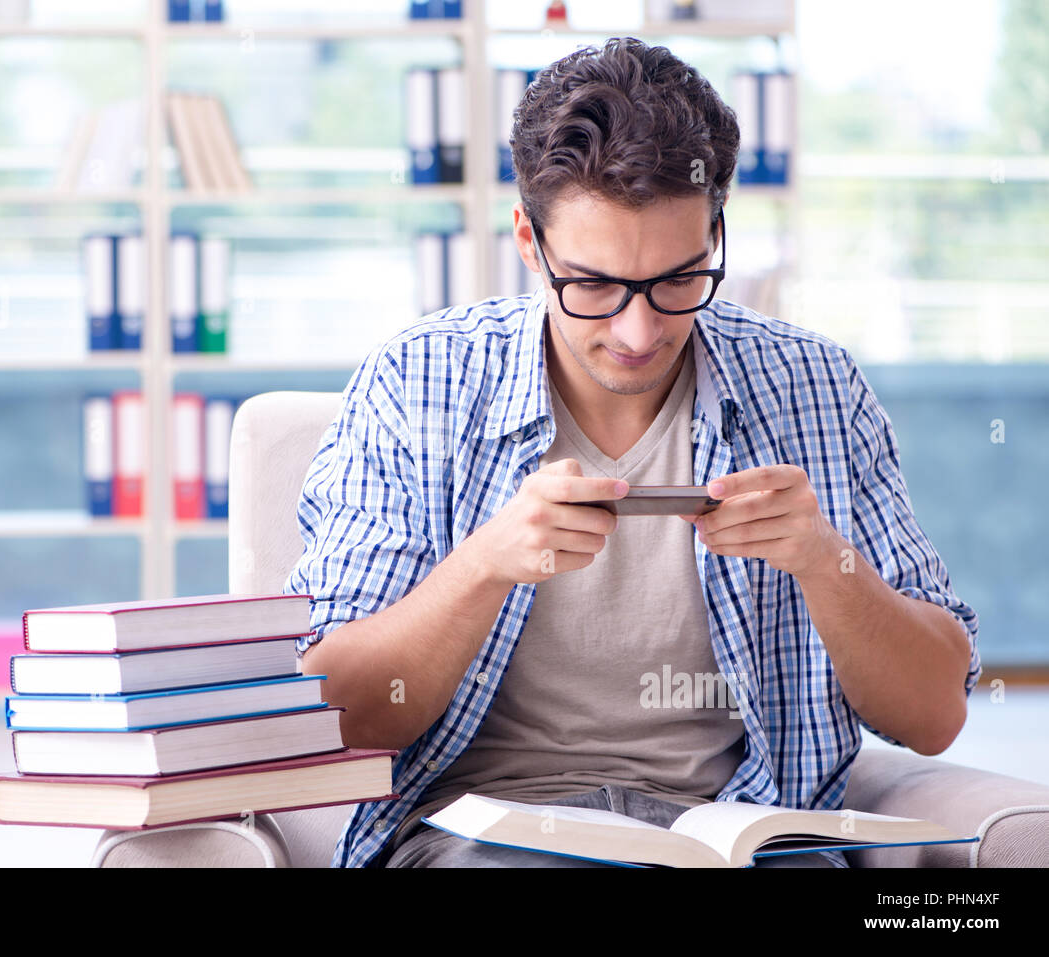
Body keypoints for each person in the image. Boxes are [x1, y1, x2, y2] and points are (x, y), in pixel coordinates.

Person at [285, 36, 981, 869]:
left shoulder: (815, 386)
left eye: (679, 279)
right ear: (528, 242)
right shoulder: (417, 382)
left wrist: (825, 561)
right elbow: (335, 715)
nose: (637, 331)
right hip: (490, 838)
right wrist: (481, 567)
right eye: (595, 286)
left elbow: (934, 714)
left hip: (737, 832)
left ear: (717, 232)